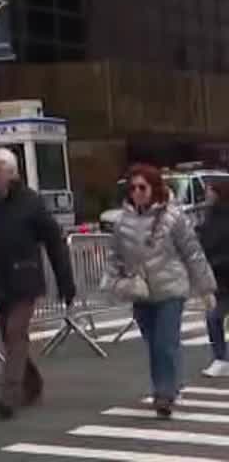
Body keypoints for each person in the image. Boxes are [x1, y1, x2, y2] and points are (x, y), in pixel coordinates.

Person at [0, 146, 76, 417]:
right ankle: (32, 383)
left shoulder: (30, 203)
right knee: (12, 338)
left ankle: (8, 395)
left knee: (14, 333)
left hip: (24, 279)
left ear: (11, 174)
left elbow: (54, 243)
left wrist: (65, 282)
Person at [108, 163, 217, 416]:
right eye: (132, 188)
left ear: (154, 188)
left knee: (165, 343)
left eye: (142, 187)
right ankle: (165, 386)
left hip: (171, 289)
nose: (137, 192)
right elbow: (115, 256)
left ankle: (165, 394)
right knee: (153, 343)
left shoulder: (174, 217)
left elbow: (193, 253)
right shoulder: (122, 220)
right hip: (141, 291)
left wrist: (206, 289)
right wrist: (113, 283)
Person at [199, 177, 229, 378]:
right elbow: (202, 239)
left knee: (214, 317)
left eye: (210, 190)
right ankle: (221, 358)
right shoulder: (209, 216)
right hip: (218, 278)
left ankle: (222, 358)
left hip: (223, 272)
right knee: (213, 318)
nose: (206, 195)